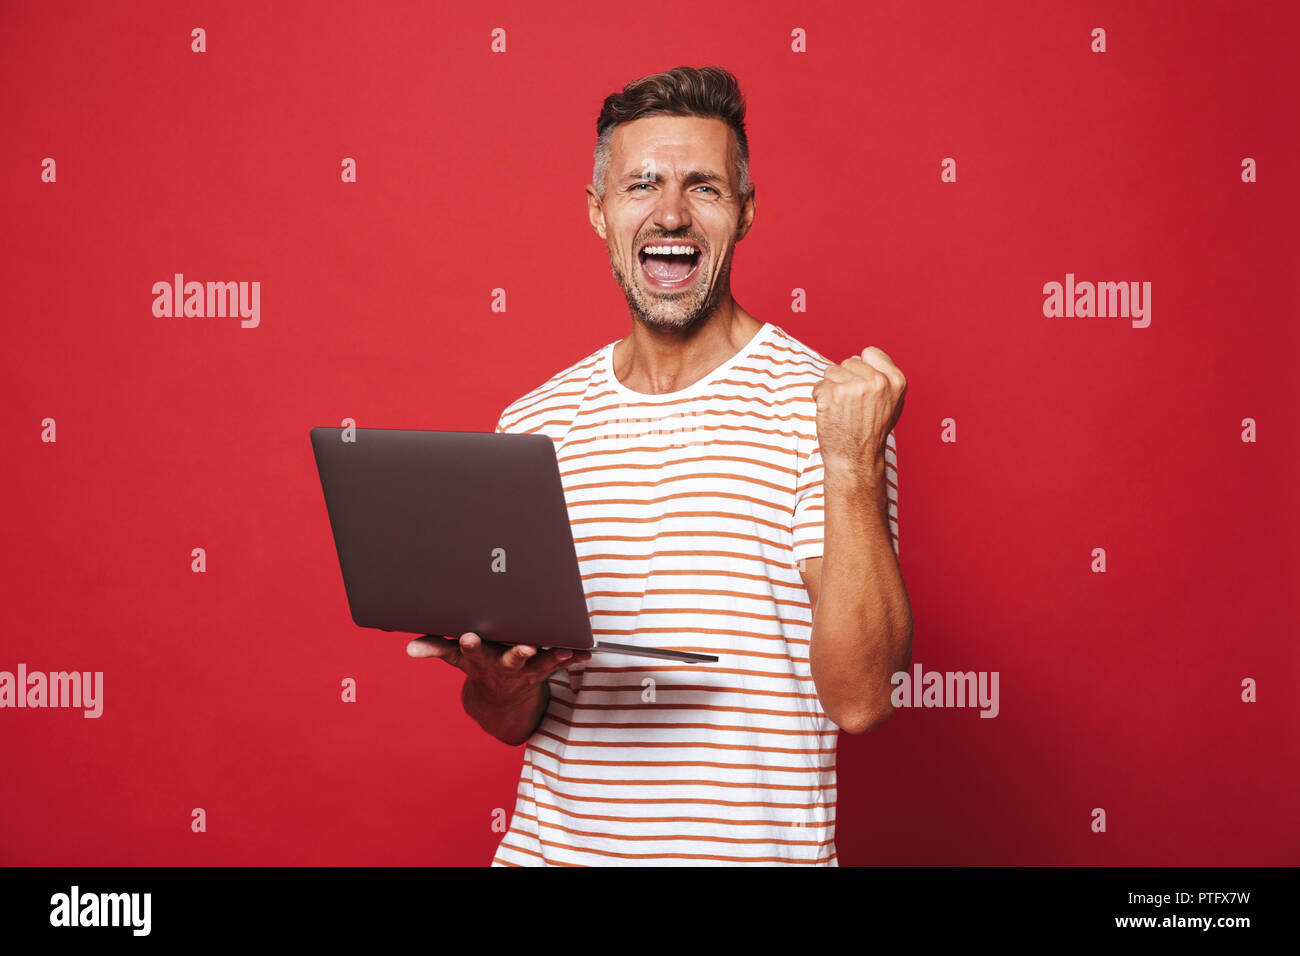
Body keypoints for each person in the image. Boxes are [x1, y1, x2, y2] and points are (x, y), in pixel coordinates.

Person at [407, 65, 912, 865]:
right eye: (641, 184)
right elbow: (509, 721)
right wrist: (500, 682)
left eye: (704, 187)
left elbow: (862, 700)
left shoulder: (827, 409)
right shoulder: (534, 422)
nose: (670, 212)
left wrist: (852, 460)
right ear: (598, 211)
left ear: (746, 212)